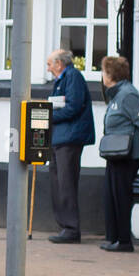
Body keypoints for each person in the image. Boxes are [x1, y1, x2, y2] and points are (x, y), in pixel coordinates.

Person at [98, 55, 139, 252]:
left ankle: (123, 241)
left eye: (104, 71)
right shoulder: (116, 94)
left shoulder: (127, 94)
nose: (102, 75)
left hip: (128, 154)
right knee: (111, 195)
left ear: (111, 74)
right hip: (115, 153)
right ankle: (113, 237)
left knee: (121, 196)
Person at [46, 48, 96, 243]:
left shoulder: (72, 76)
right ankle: (65, 227)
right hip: (60, 137)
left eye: (50, 64)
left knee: (66, 183)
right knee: (58, 182)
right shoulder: (63, 79)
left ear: (59, 64)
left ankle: (71, 228)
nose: (48, 68)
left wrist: (48, 115)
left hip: (69, 138)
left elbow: (73, 107)